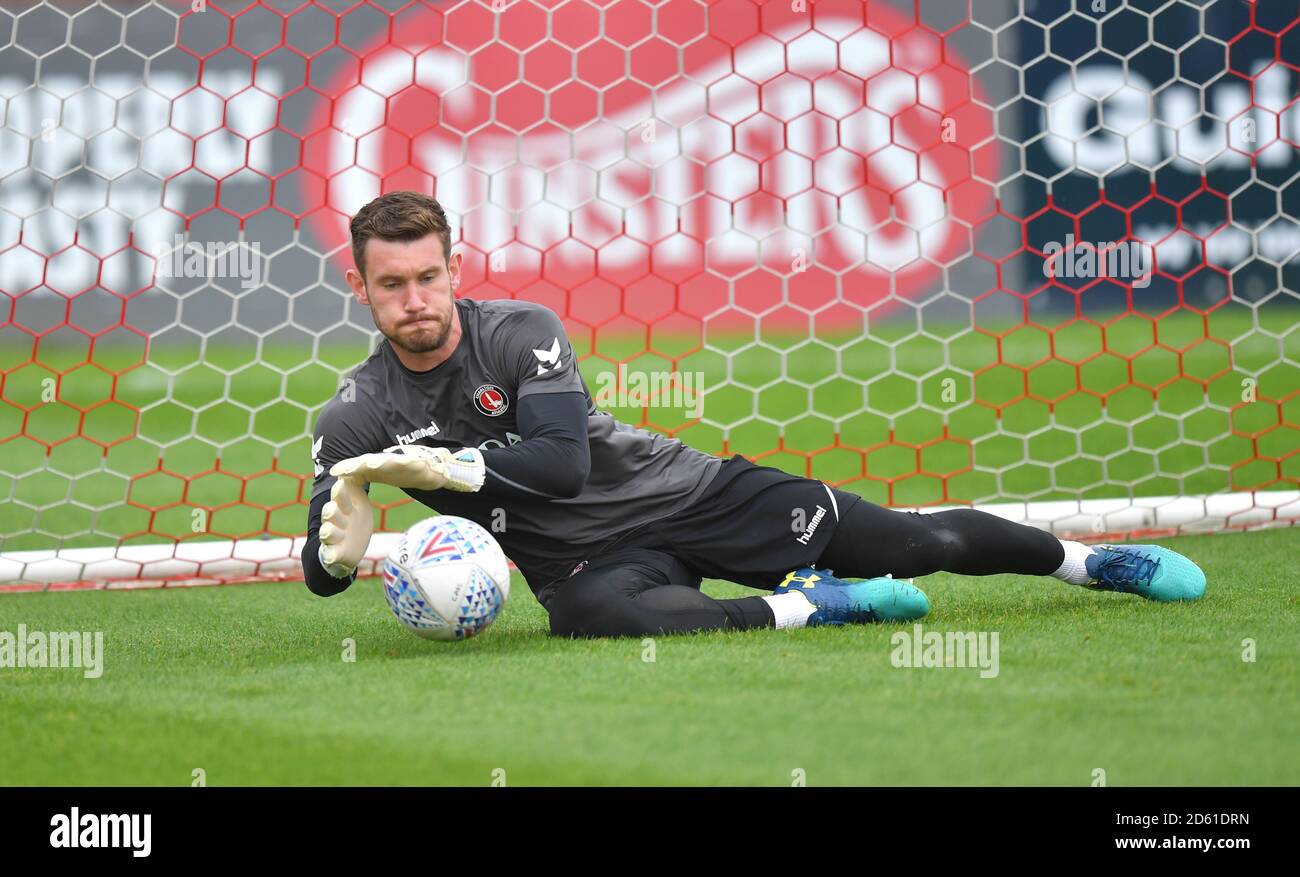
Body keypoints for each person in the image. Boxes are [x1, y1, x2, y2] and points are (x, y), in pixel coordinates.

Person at [302, 191, 1207, 637]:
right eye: (392, 283)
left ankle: (1093, 565)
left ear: (455, 268)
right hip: (585, 560)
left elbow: (562, 464)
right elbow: (321, 561)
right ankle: (809, 608)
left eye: (429, 276)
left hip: (691, 493)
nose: (415, 298)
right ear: (360, 285)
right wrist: (334, 558)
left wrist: (446, 469)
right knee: (595, 618)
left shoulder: (520, 332)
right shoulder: (354, 416)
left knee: (918, 545)